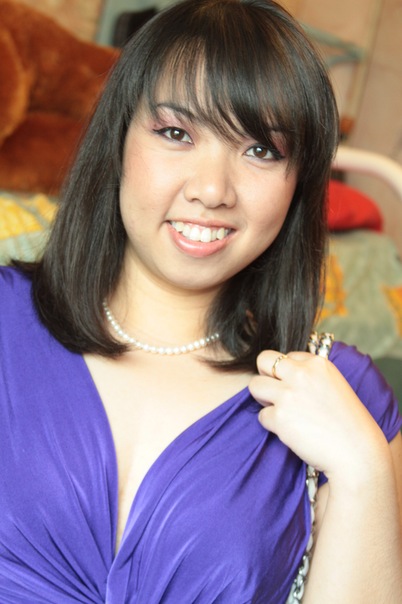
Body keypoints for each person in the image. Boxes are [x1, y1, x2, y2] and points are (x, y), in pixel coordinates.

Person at [0, 0, 401, 602]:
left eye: (261, 150)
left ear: (299, 184)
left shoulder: (348, 400)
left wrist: (364, 472)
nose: (212, 190)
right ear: (118, 139)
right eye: (175, 134)